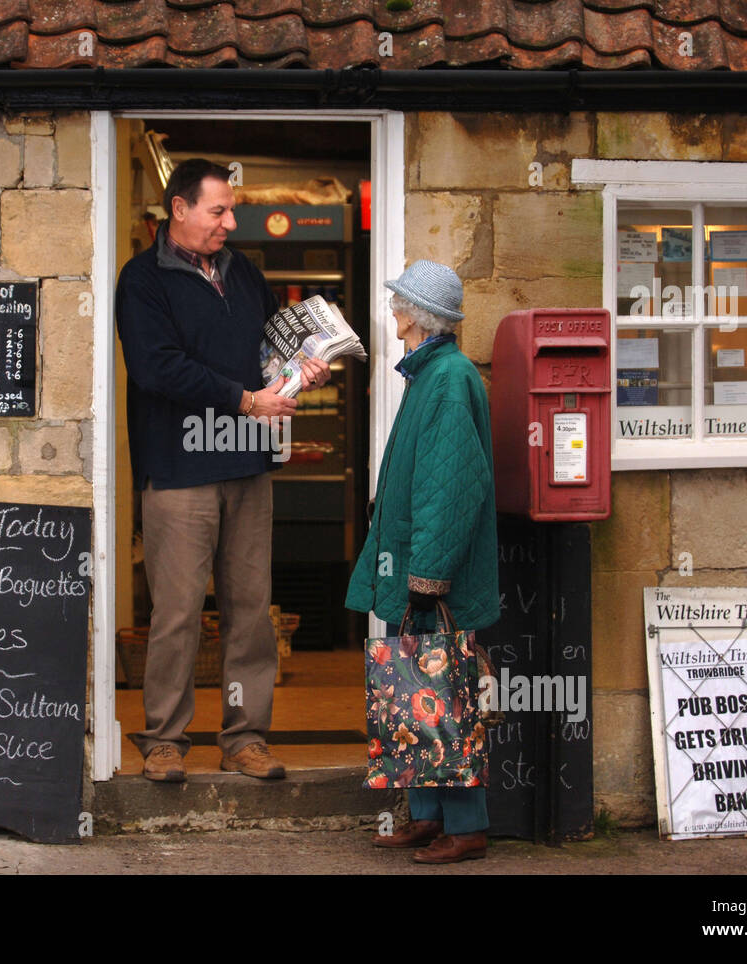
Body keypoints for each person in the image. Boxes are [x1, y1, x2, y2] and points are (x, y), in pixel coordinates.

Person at [115, 158, 330, 782]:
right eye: (218, 211)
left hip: (247, 466)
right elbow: (158, 368)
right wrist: (245, 401)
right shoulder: (143, 280)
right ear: (178, 209)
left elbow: (269, 351)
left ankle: (243, 737)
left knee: (249, 612)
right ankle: (165, 740)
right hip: (179, 471)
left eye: (231, 211)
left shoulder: (243, 274)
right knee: (178, 614)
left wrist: (299, 369)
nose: (230, 223)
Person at [346, 260, 499, 864]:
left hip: (431, 578)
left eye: (398, 303)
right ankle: (431, 817)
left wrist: (427, 577)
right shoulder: (431, 373)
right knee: (418, 694)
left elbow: (451, 486)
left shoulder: (448, 378)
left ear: (416, 315)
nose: (391, 311)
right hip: (414, 569)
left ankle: (467, 827)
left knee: (444, 695)